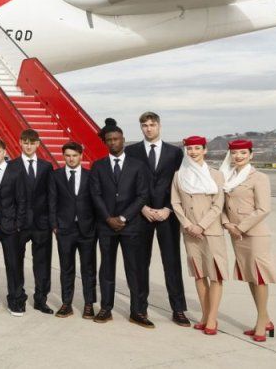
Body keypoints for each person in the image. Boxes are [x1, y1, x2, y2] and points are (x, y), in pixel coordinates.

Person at [125, 112, 190, 327]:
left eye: (152, 125)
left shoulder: (174, 153)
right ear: (141, 128)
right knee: (139, 264)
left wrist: (169, 209)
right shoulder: (131, 151)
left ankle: (178, 309)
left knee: (171, 263)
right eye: (144, 125)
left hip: (167, 215)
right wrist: (141, 207)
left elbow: (181, 185)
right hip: (141, 215)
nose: (148, 129)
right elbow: (128, 185)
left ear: (159, 126)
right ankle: (139, 309)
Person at [90, 119, 153, 328]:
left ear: (123, 140)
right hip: (106, 226)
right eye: (109, 140)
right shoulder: (98, 166)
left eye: (116, 139)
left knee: (134, 270)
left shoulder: (138, 166)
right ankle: (106, 308)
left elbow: (142, 195)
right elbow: (95, 195)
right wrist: (108, 218)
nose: (113, 143)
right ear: (105, 143)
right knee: (106, 269)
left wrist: (124, 217)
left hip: (131, 226)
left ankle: (138, 311)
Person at [221, 139, 276, 342]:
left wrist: (240, 227)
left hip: (254, 234)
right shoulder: (227, 177)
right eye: (235, 153)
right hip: (236, 235)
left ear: (251, 155)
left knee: (260, 277)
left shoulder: (258, 177)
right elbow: (222, 206)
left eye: (243, 153)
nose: (238, 156)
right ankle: (266, 319)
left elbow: (263, 208)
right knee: (251, 278)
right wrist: (227, 225)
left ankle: (261, 323)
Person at [170, 135, 226, 335]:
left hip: (210, 231)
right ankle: (204, 314)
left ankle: (212, 318)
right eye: (190, 149)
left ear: (205, 150)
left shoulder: (216, 175)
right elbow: (175, 202)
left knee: (215, 275)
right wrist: (187, 224)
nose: (193, 152)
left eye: (197, 148)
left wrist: (201, 225)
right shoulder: (179, 175)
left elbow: (218, 205)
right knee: (199, 274)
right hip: (189, 232)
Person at [48, 142, 97, 319]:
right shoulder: (56, 176)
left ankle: (89, 304)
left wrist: (95, 226)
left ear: (81, 156)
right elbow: (52, 201)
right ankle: (66, 303)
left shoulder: (90, 176)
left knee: (88, 269)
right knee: (66, 268)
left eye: (74, 155)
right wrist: (55, 225)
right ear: (63, 156)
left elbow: (95, 202)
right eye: (68, 155)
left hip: (87, 229)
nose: (71, 159)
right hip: (64, 229)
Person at [16, 130, 55, 314]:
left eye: (32, 142)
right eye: (25, 142)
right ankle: (19, 297)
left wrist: (51, 221)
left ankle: (41, 299)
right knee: (16, 263)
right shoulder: (13, 166)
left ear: (38, 144)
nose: (29, 146)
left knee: (42, 263)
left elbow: (51, 196)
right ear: (20, 143)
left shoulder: (46, 167)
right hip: (19, 224)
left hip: (41, 224)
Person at [0, 138, 25, 315]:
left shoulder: (15, 172)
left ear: (4, 152)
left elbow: (21, 200)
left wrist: (18, 224)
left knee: (13, 265)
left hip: (10, 227)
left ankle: (16, 300)